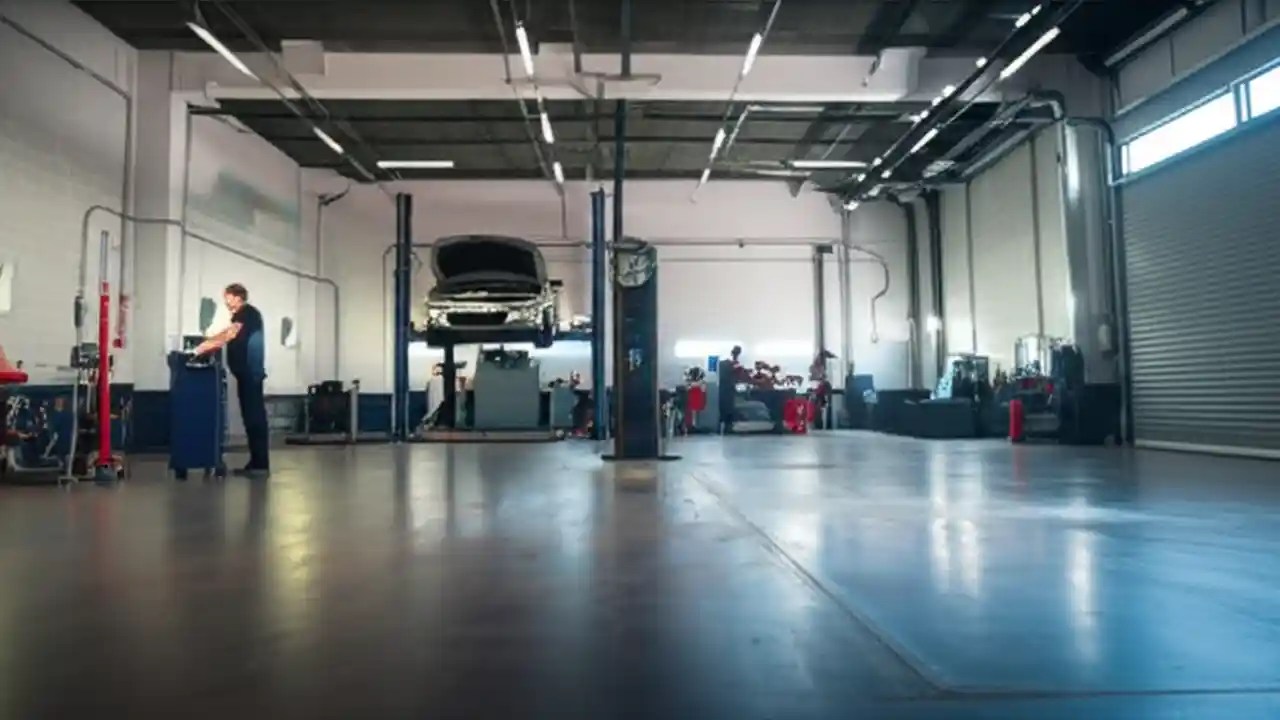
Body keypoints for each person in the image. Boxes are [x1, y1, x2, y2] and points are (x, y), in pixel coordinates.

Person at [194, 283, 269, 478]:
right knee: (250, 418)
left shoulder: (247, 313)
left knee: (254, 418)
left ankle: (260, 465)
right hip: (247, 374)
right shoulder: (243, 315)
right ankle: (256, 462)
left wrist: (202, 348)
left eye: (227, 298)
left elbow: (230, 334)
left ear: (237, 297)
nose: (226, 303)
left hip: (250, 374)